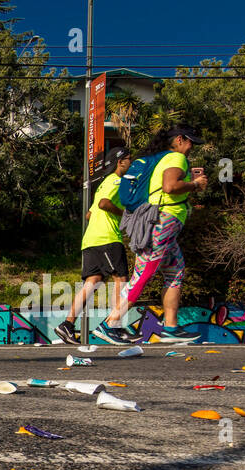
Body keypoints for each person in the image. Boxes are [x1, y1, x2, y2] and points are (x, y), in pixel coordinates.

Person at [97, 126, 207, 345]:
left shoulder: (162, 158)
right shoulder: (176, 158)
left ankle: (170, 328)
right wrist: (194, 185)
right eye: (190, 141)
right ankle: (110, 324)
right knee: (144, 273)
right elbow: (170, 186)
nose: (192, 146)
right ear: (179, 139)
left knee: (175, 271)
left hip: (164, 224)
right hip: (162, 222)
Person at [54, 148, 132, 346]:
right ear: (120, 162)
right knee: (121, 279)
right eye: (129, 159)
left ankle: (67, 324)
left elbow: (89, 215)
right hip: (107, 238)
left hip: (90, 239)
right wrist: (123, 214)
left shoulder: (103, 184)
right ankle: (114, 325)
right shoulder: (117, 181)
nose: (131, 162)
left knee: (93, 281)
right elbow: (104, 204)